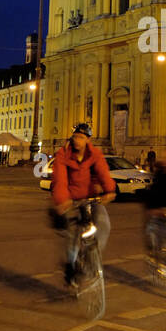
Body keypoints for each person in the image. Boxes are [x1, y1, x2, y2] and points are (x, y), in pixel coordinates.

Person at [49, 123, 116, 287]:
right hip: (71, 199)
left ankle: (91, 259)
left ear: (88, 140)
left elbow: (103, 172)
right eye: (75, 137)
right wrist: (63, 200)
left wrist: (109, 190)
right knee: (73, 235)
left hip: (90, 198)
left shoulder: (95, 154)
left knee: (104, 224)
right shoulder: (63, 155)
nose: (77, 140)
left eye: (81, 137)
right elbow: (60, 180)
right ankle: (71, 266)